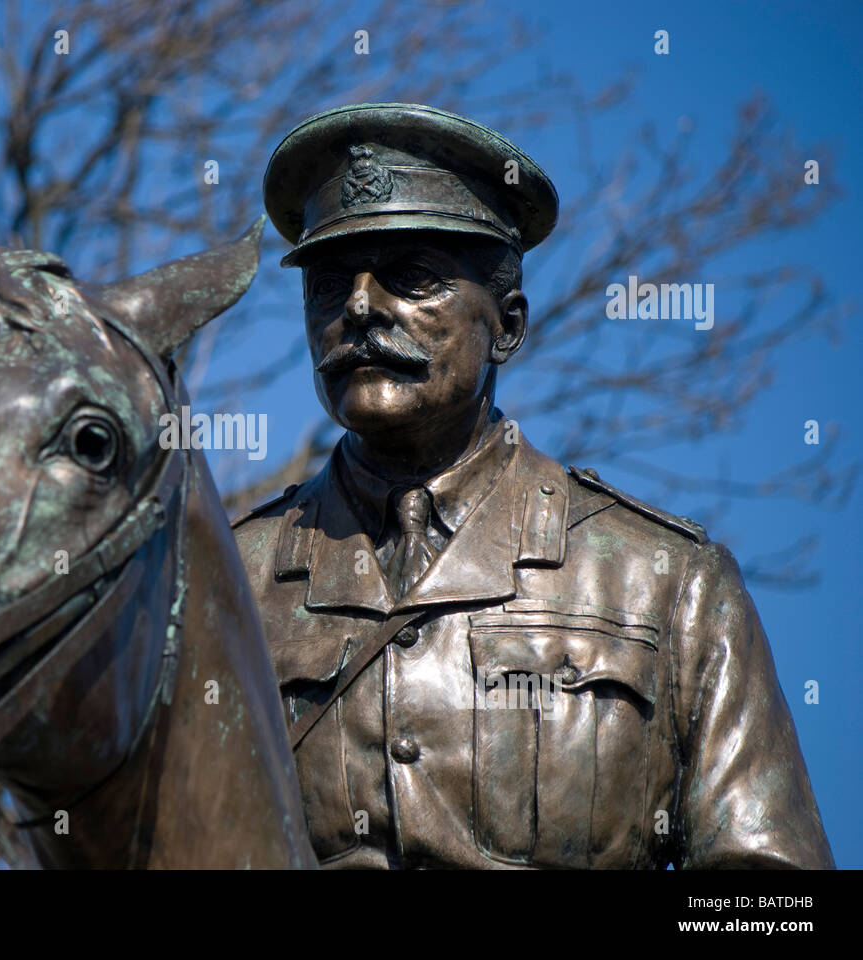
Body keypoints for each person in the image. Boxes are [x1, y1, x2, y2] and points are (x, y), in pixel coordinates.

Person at [233, 102, 834, 868]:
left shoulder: (669, 585)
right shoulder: (228, 586)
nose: (358, 308)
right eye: (327, 288)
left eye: (410, 278)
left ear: (507, 326)